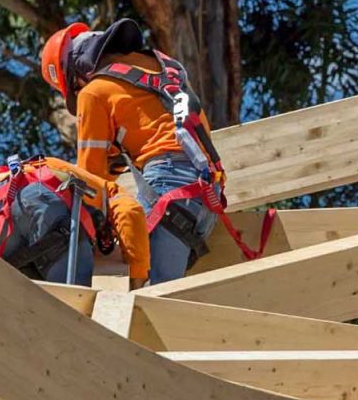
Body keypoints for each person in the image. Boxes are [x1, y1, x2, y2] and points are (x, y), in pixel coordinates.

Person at [40, 18, 235, 286]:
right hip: (206, 196)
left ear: (78, 70)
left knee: (136, 299)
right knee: (158, 299)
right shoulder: (166, 67)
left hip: (168, 192)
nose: (78, 91)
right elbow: (166, 132)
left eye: (74, 86)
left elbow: (90, 181)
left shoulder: (94, 92)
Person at [0, 154, 150, 286]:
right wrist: (138, 278)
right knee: (78, 305)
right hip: (36, 199)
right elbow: (130, 211)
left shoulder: (44, 166)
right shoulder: (109, 190)